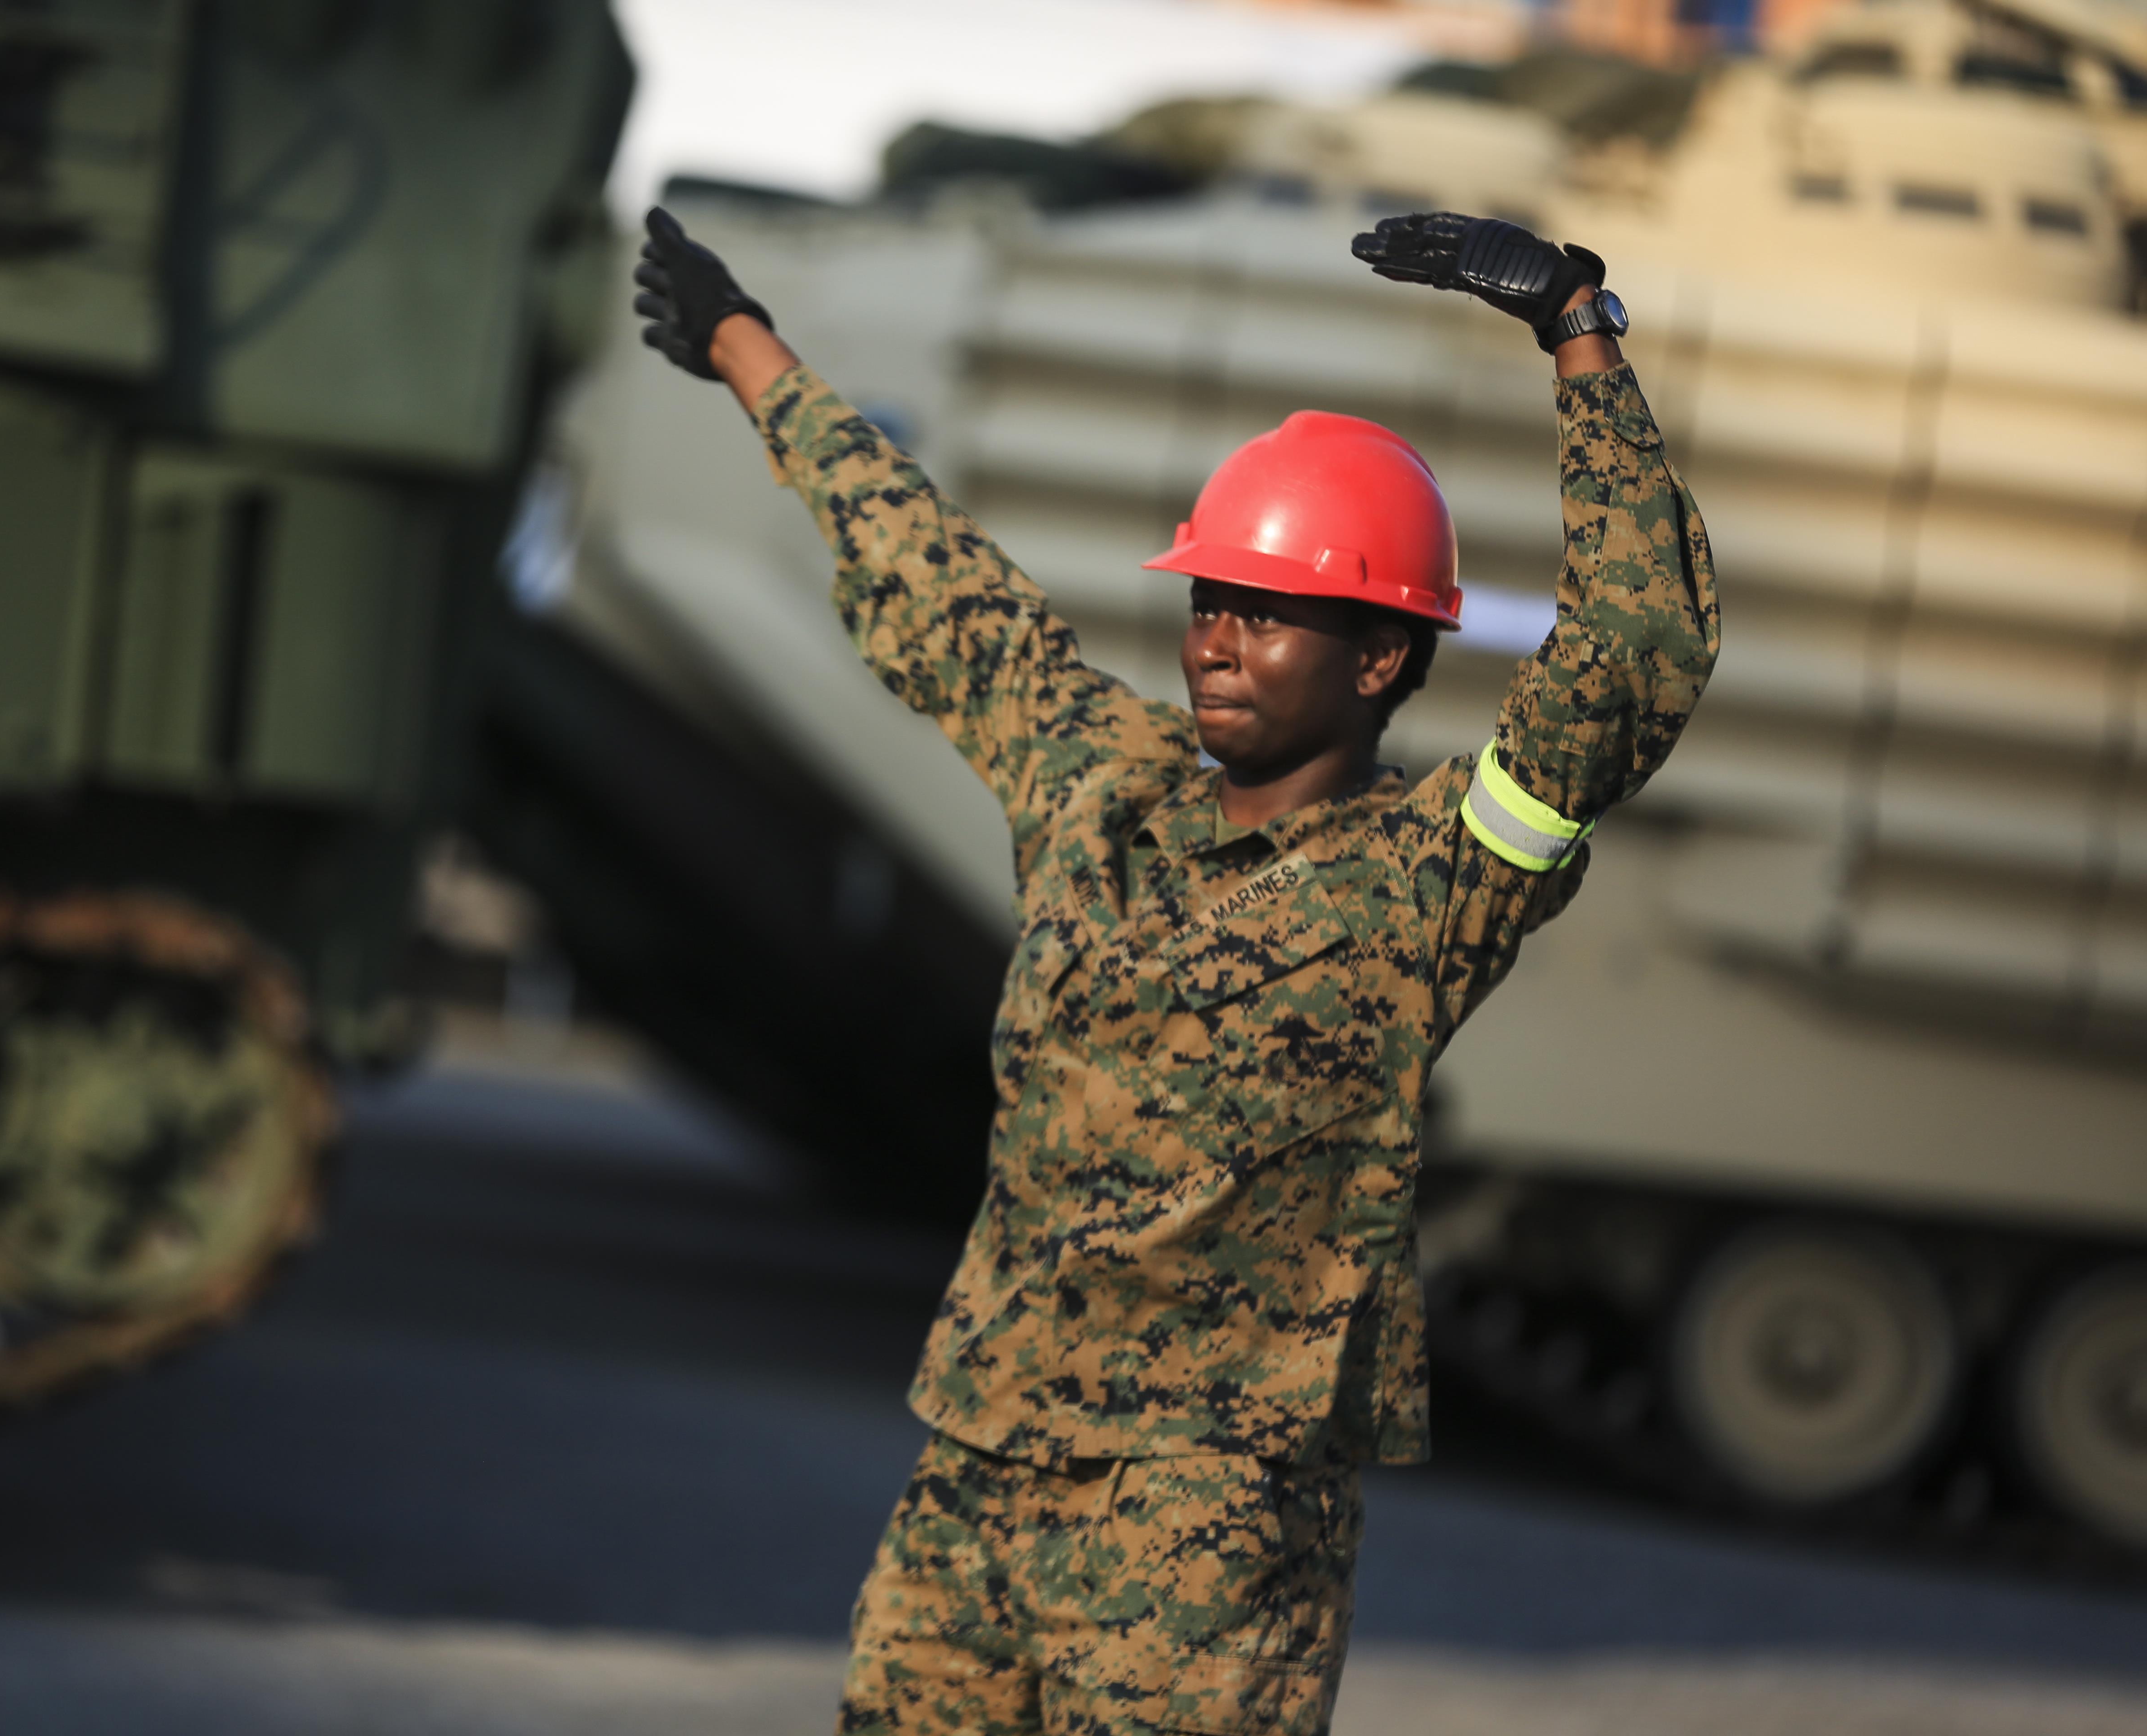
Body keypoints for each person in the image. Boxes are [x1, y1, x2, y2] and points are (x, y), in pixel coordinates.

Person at [632, 206, 1716, 1736]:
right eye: (1213, 599)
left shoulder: (1438, 876)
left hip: (1204, 1532)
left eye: (1272, 614)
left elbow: (1635, 657)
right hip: (981, 1468)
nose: (1220, 639)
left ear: (1382, 660)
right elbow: (943, 588)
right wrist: (747, 349)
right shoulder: (1102, 786)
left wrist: (1578, 331)